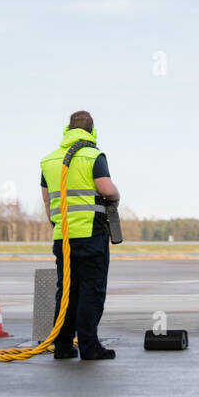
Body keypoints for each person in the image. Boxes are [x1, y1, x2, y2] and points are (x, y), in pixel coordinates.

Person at [40, 111, 120, 361]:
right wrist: (116, 197)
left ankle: (62, 346)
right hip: (90, 233)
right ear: (92, 130)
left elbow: (47, 200)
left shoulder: (49, 160)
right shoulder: (93, 156)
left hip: (63, 236)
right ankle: (89, 345)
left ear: (67, 128)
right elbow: (106, 189)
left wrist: (60, 223)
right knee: (91, 289)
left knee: (66, 291)